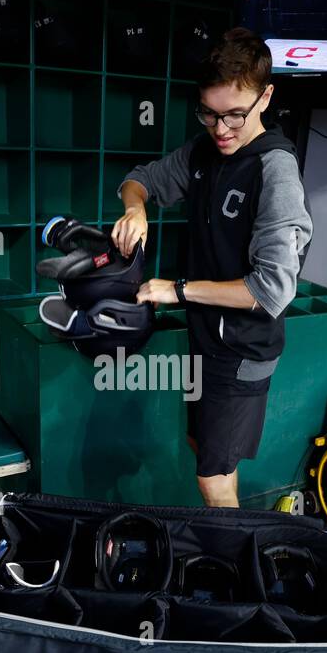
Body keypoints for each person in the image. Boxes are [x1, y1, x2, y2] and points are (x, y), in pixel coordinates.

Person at [111, 27, 312, 508]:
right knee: (208, 453)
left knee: (212, 479)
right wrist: (136, 208)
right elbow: (138, 180)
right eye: (209, 114)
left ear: (266, 97)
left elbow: (272, 290)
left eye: (235, 116)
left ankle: (236, 572)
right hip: (207, 340)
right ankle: (232, 550)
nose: (221, 129)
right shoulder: (204, 151)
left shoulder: (274, 172)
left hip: (242, 350)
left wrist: (177, 291)